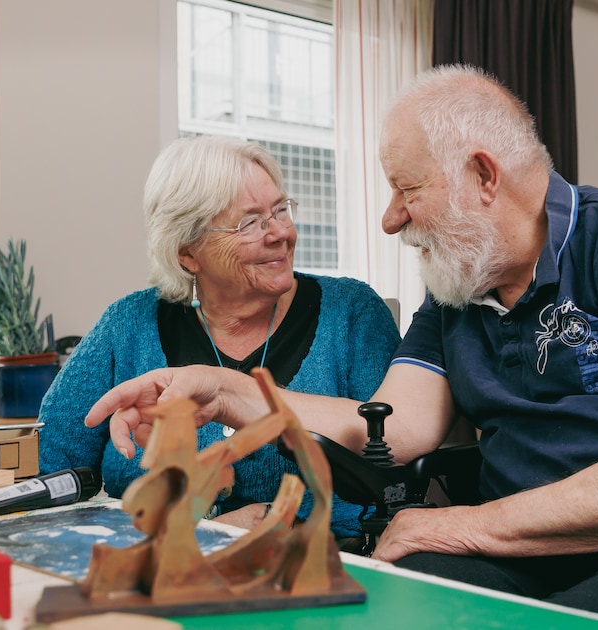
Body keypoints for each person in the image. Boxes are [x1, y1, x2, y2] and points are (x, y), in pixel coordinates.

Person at [84, 66, 598, 629]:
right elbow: (395, 425)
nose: (389, 219)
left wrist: (465, 524)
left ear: (483, 176)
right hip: (551, 543)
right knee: (388, 608)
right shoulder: (457, 290)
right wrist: (229, 392)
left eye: (406, 190)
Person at [37, 135, 402, 542]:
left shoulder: (351, 314)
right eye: (250, 222)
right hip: (157, 571)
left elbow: (394, 478)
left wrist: (282, 518)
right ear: (188, 252)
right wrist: (196, 532)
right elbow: (50, 474)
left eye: (280, 210)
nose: (280, 232)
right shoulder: (128, 324)